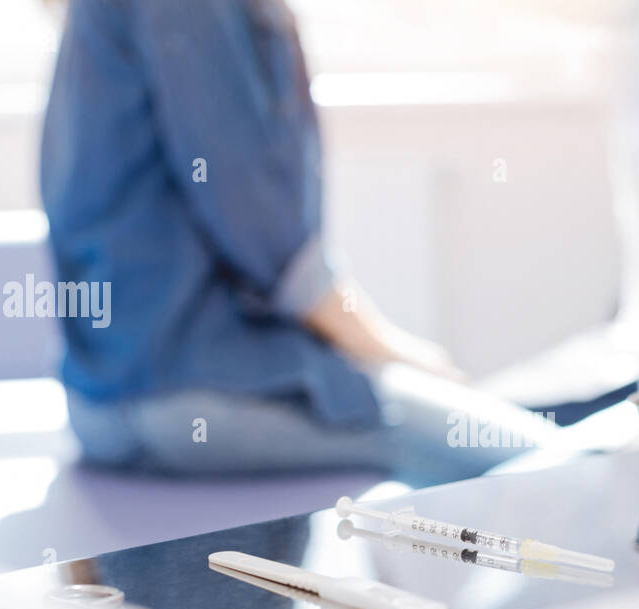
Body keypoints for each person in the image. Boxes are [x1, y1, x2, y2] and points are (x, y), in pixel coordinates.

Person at [41, 0, 563, 486]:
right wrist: (394, 354)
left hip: (106, 398)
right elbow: (254, 210)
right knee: (543, 468)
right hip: (182, 386)